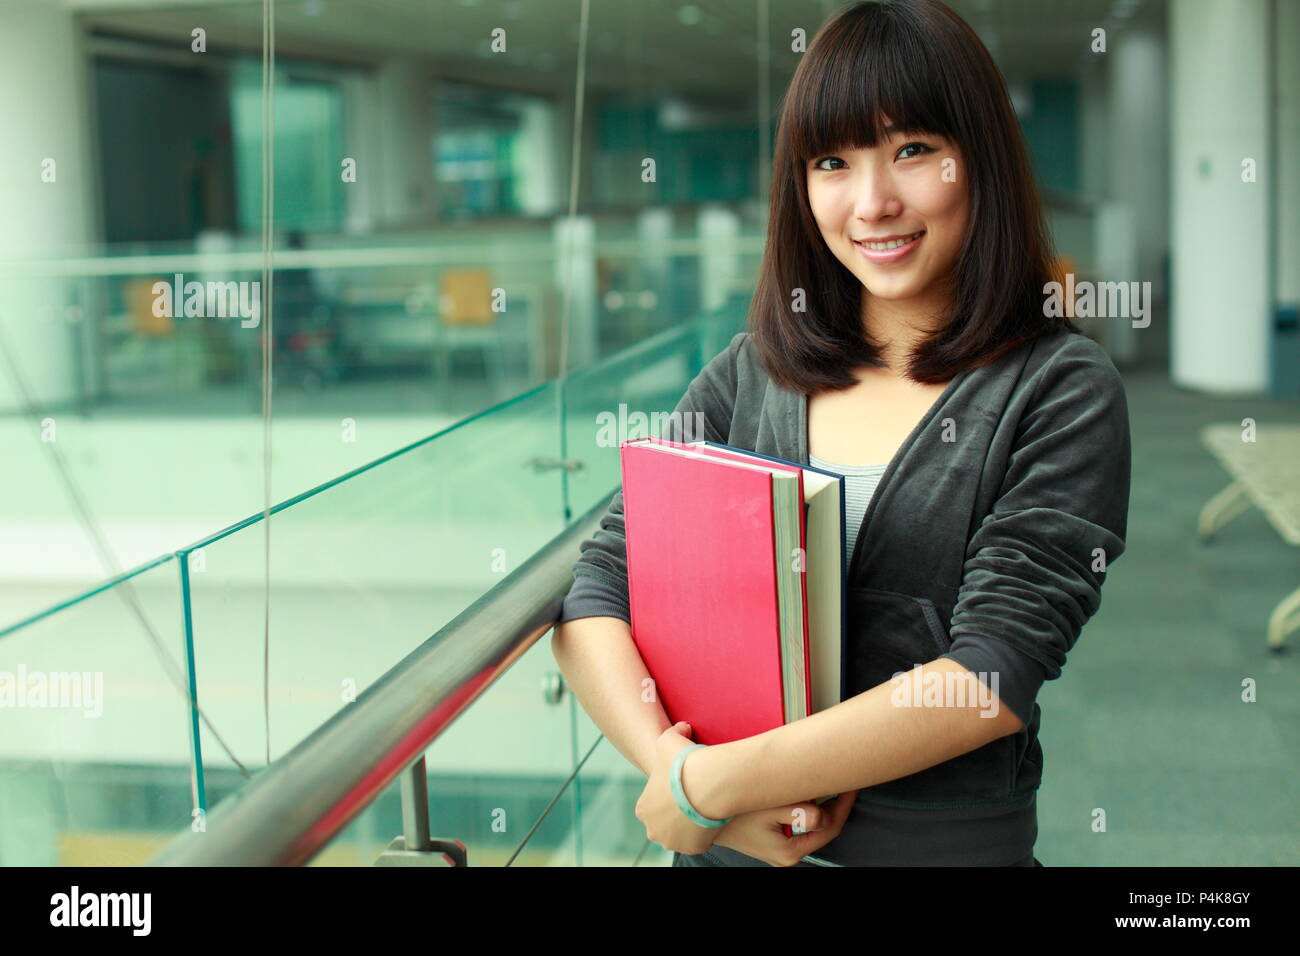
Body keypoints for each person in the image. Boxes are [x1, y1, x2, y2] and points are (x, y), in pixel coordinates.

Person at [551, 0, 1131, 867]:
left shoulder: (1057, 390)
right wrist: (673, 769)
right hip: (721, 842)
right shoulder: (752, 373)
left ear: (981, 162)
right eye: (832, 161)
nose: (872, 202)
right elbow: (601, 586)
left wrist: (711, 787)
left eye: (913, 150)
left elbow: (993, 674)